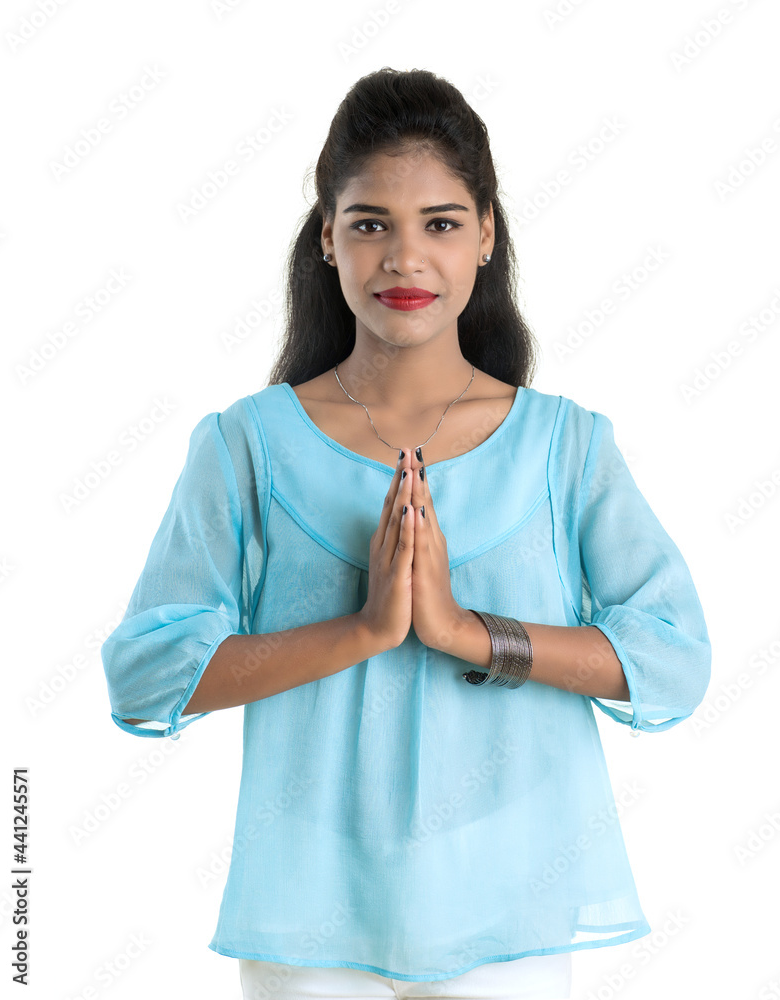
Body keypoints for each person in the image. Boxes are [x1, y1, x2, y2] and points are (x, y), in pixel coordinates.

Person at [101, 67, 712, 1000]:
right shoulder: (247, 444)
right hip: (310, 911)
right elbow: (144, 671)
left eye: (440, 222)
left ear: (486, 236)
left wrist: (469, 633)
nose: (404, 258)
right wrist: (362, 633)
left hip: (515, 898)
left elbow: (672, 659)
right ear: (326, 239)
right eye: (369, 223)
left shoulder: (564, 445)